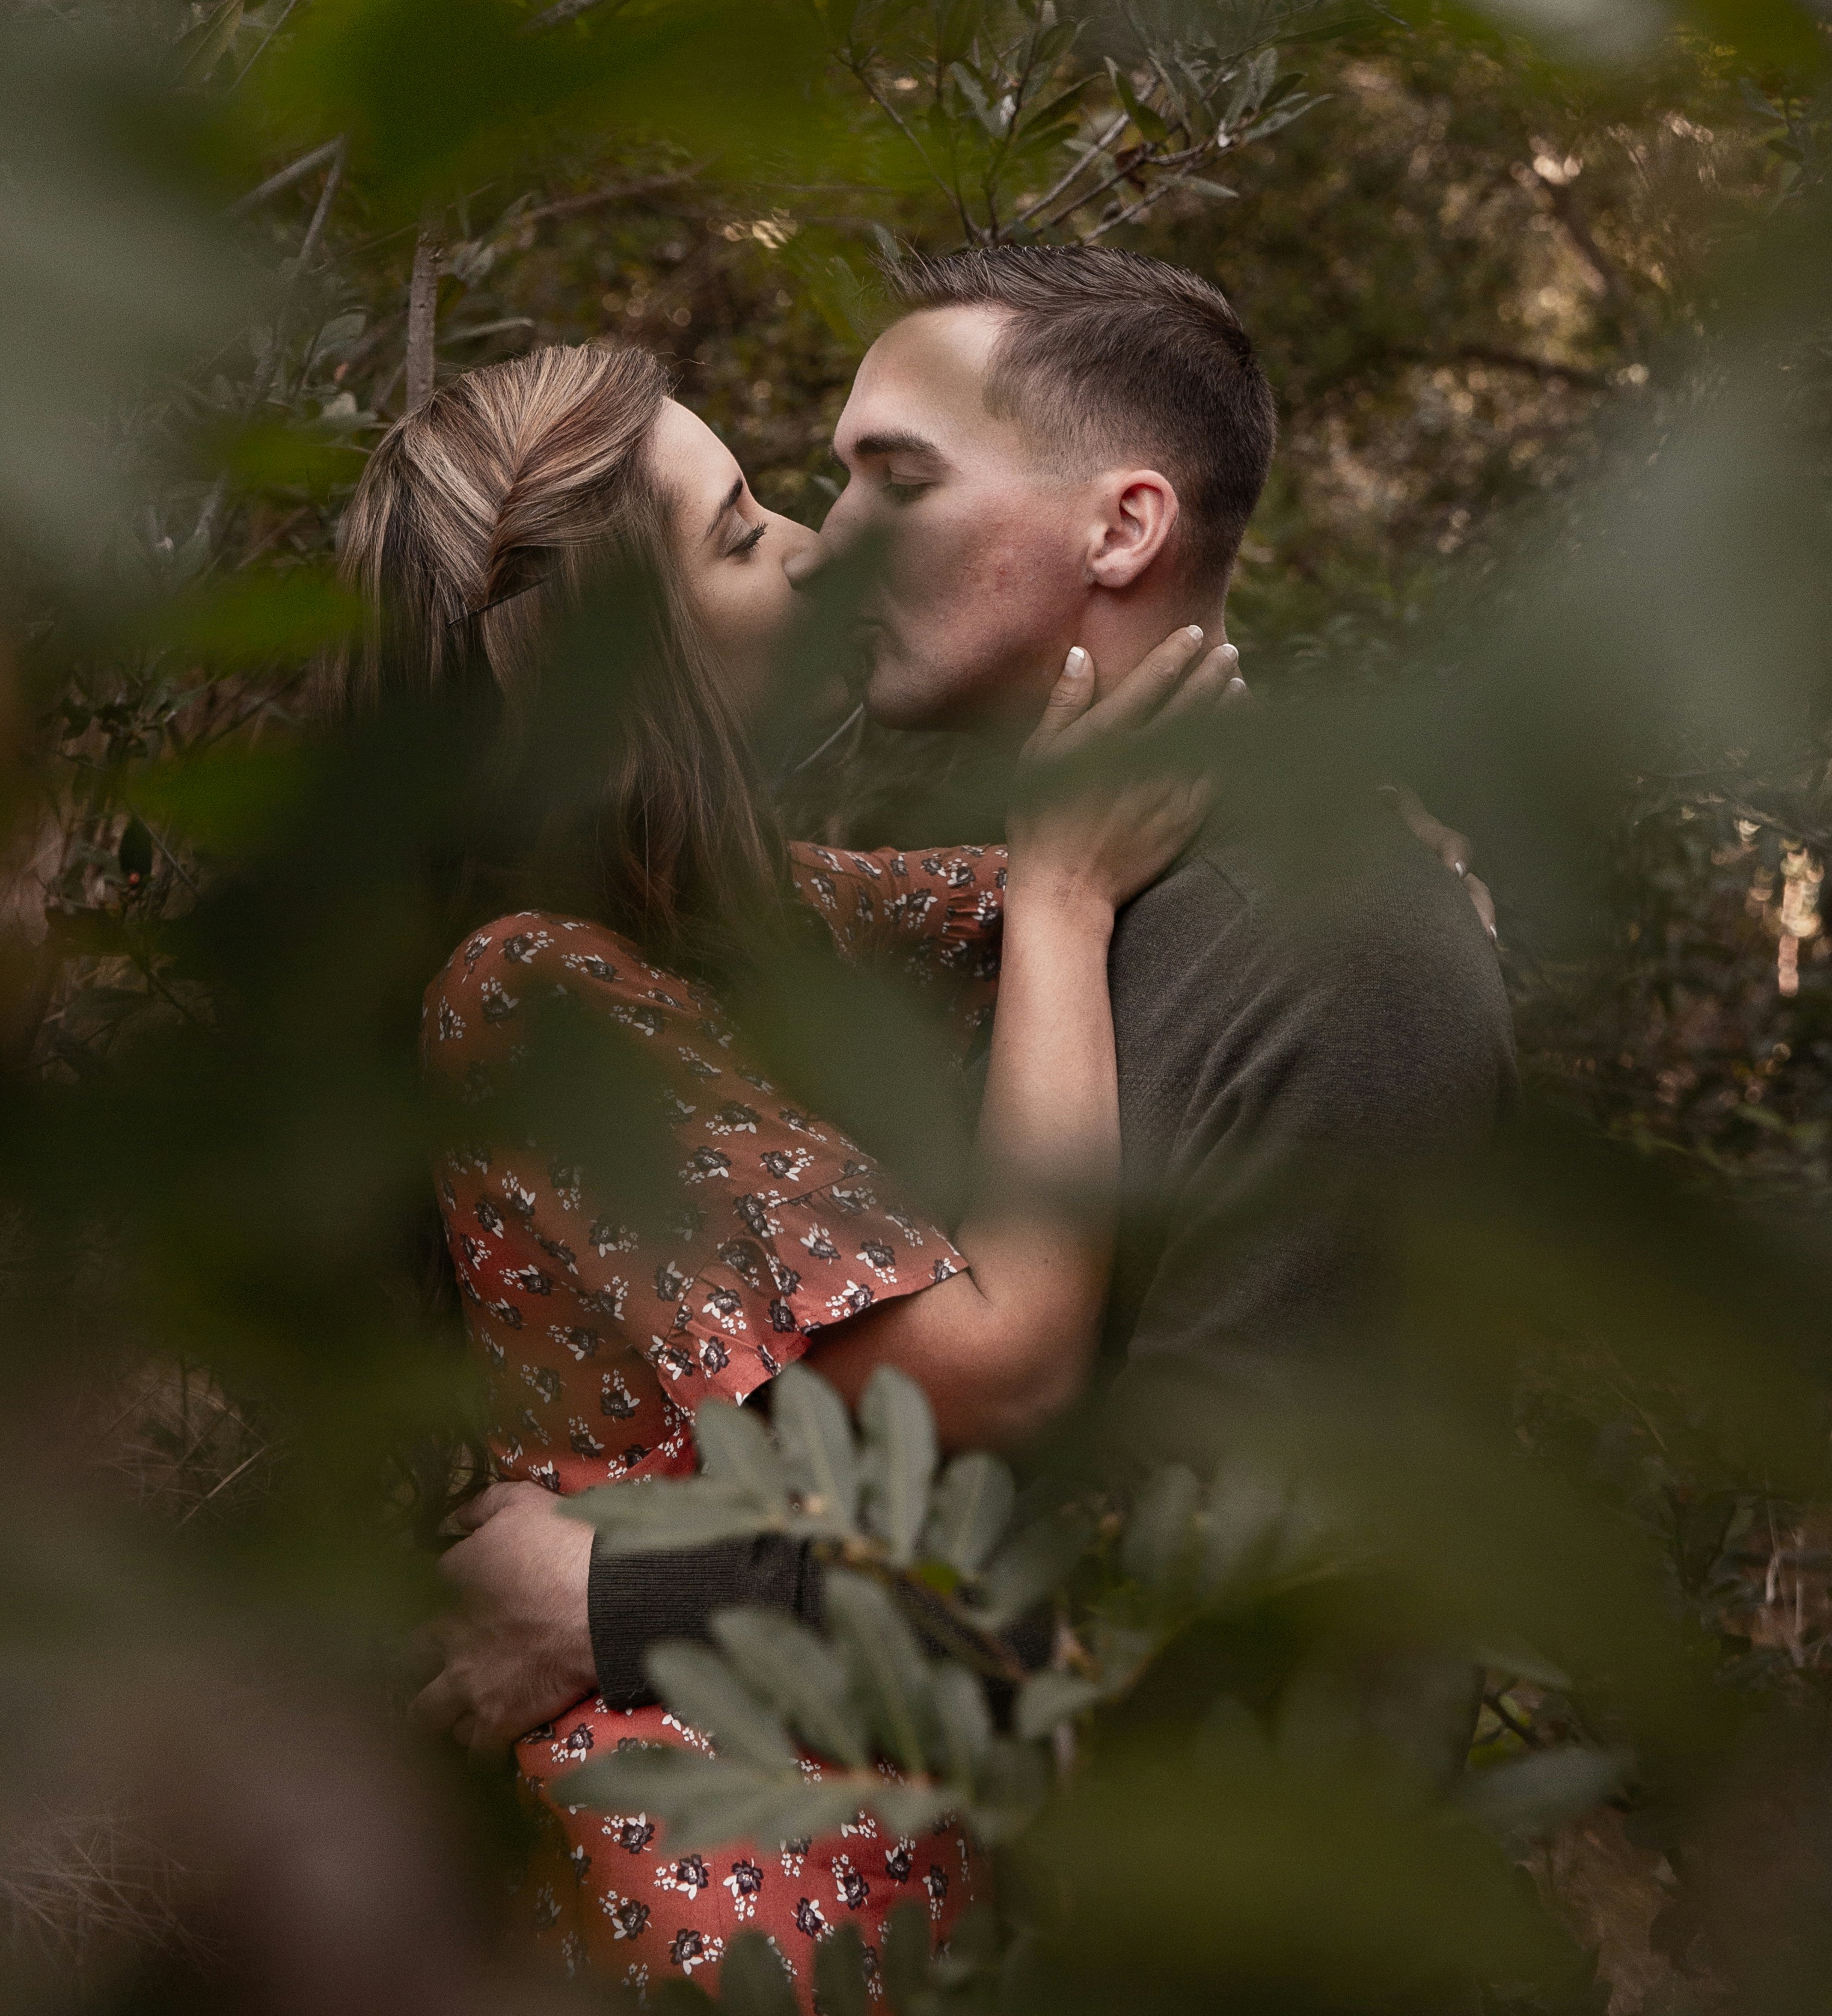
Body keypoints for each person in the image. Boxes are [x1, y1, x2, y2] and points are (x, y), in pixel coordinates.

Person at [429, 244, 1516, 1742]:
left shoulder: (1337, 961)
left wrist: (627, 1602)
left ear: (1124, 526)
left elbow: (1202, 1590)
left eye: (902, 480)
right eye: (807, 496)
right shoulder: (1006, 916)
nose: (835, 545)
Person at [341, 337, 1238, 1991]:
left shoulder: (744, 913)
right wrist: (1058, 905)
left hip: (859, 1849)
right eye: (749, 537)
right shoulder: (536, 994)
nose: (823, 554)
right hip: (729, 1895)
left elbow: (1098, 850)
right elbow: (1004, 1373)